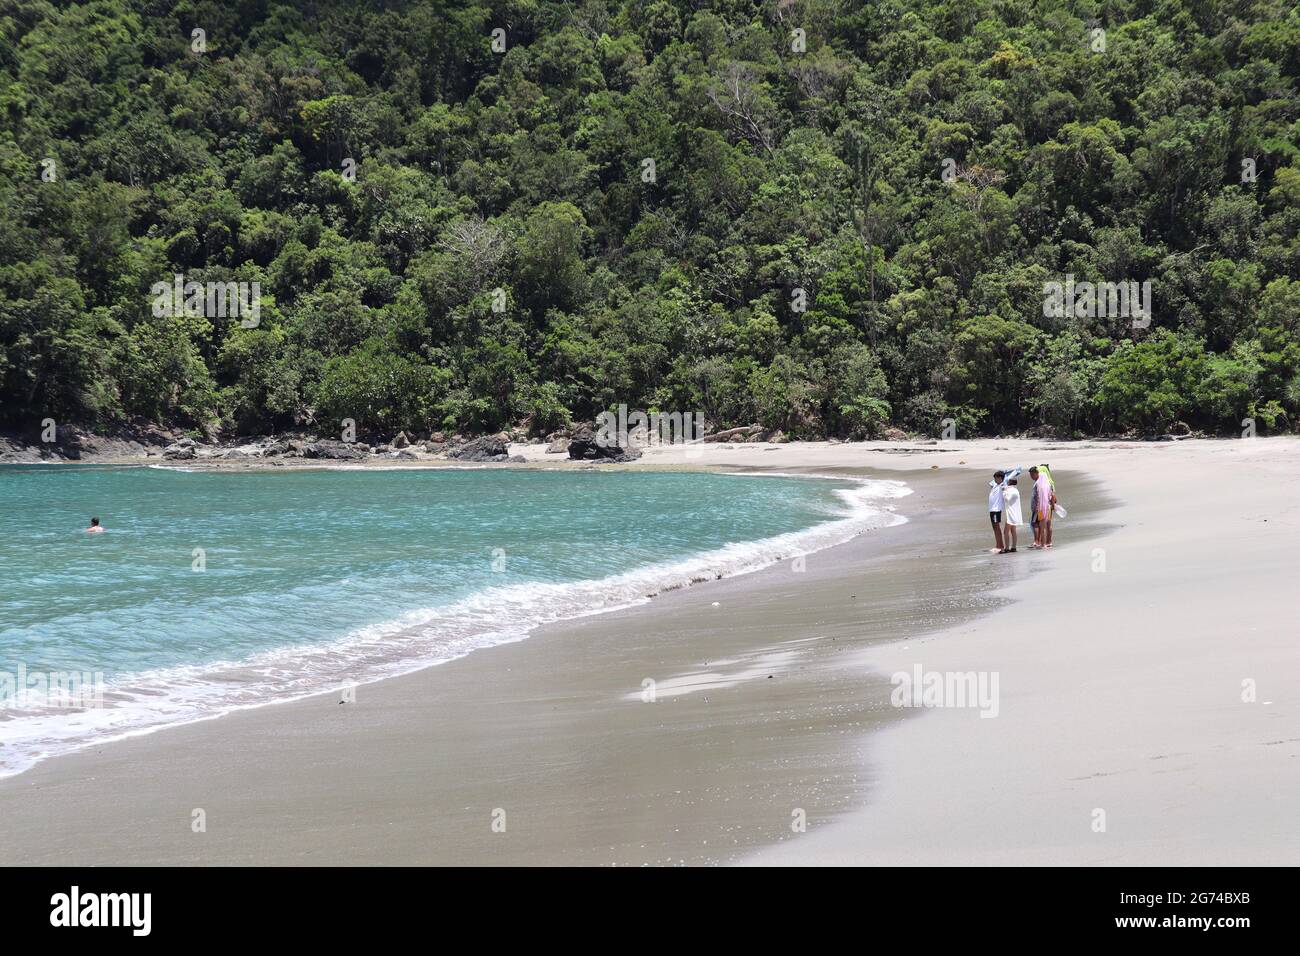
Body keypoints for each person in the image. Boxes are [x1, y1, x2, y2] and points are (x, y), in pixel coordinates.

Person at [987, 470, 1006, 552]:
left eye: (996, 478)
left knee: (997, 527)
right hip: (992, 509)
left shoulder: (1002, 485)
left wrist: (1004, 476)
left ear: (1000, 478)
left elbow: (1011, 476)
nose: (994, 480)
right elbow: (990, 483)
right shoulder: (995, 484)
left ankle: (1000, 546)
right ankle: (998, 545)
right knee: (994, 527)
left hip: (996, 509)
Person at [1001, 479, 1022, 553]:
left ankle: (1007, 548)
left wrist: (1004, 492)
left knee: (1006, 531)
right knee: (1013, 531)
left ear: (1010, 483)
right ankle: (1014, 547)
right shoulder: (1016, 490)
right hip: (1015, 513)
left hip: (1011, 514)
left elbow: (1007, 499)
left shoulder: (1011, 491)